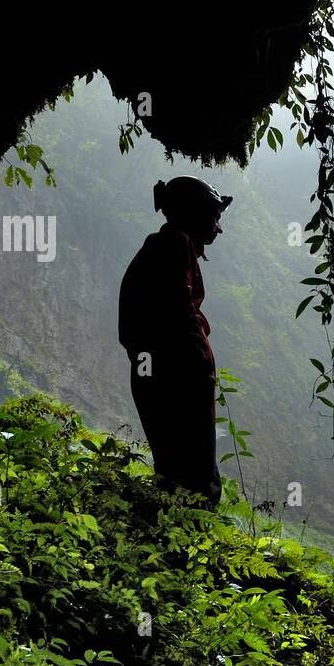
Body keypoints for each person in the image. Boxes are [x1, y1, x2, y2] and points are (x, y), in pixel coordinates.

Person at [118, 176, 231, 508]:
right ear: (194, 213)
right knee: (196, 478)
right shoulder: (175, 245)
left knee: (173, 471)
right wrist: (200, 368)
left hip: (156, 373)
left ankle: (172, 539)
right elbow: (180, 314)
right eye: (214, 216)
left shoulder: (163, 246)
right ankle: (191, 544)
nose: (218, 228)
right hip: (178, 376)